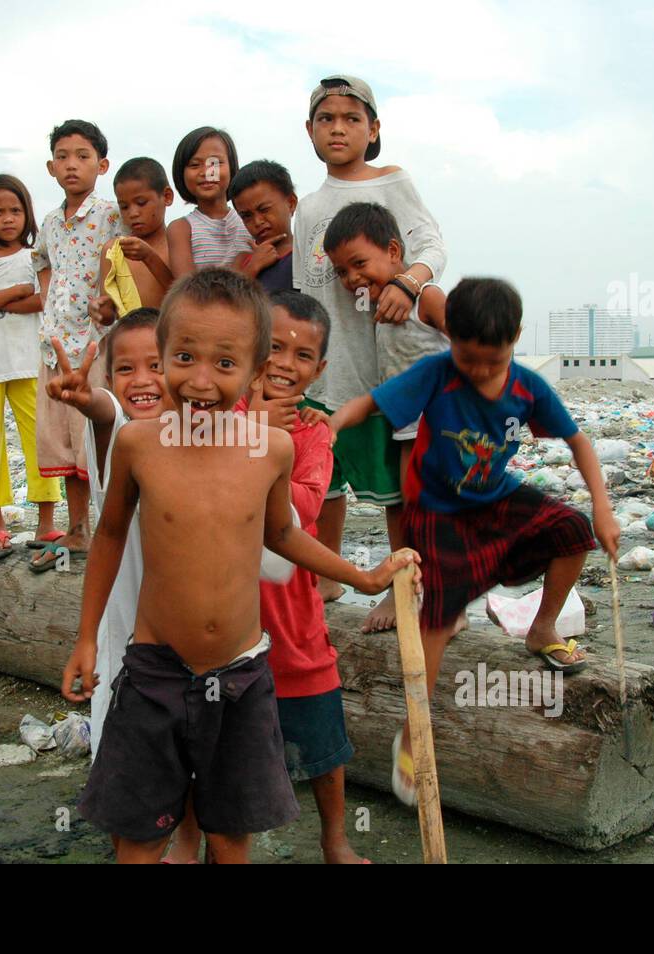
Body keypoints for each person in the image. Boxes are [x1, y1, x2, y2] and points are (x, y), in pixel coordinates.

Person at [60, 268, 418, 863]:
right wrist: (86, 638)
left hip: (242, 676)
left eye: (224, 364)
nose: (201, 381)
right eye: (184, 357)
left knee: (231, 836)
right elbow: (110, 535)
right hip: (153, 674)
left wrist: (364, 575)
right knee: (138, 835)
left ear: (254, 373)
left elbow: (281, 533)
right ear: (164, 354)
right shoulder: (139, 444)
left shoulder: (271, 450)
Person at [325, 278, 620, 805]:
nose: (481, 370)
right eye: (469, 358)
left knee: (573, 531)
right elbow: (367, 403)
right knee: (439, 610)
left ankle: (542, 626)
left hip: (495, 497)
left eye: (493, 359)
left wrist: (602, 506)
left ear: (516, 339)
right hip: (435, 511)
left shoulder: (528, 387)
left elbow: (578, 440)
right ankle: (414, 733)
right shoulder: (436, 374)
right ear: (450, 339)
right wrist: (331, 426)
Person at [293, 74, 447, 633]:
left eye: (351, 118)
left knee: (394, 490)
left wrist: (409, 283)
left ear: (374, 128)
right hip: (329, 365)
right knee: (324, 480)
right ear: (309, 130)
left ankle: (404, 586)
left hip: (382, 367)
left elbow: (431, 244)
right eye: (326, 119)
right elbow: (307, 287)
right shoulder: (309, 208)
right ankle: (325, 577)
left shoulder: (392, 183)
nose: (338, 128)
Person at [252, 291, 369, 863]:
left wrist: (262, 439)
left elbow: (299, 507)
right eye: (272, 347)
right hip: (225, 617)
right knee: (217, 748)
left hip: (293, 618)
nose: (283, 363)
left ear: (319, 369)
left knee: (323, 741)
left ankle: (335, 839)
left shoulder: (314, 432)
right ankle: (195, 837)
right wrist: (244, 424)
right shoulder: (214, 416)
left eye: (302, 355)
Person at [44, 308, 168, 758]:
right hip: (125, 647)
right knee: (129, 770)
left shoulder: (203, 437)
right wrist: (85, 397)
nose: (142, 380)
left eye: (157, 365)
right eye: (125, 369)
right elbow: (102, 410)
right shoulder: (119, 431)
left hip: (189, 644)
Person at [31, 120, 123, 571]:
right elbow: (41, 261)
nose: (72, 164)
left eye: (83, 156)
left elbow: (126, 264)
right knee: (62, 443)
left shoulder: (110, 215)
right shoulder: (49, 223)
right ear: (51, 167)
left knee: (97, 438)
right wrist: (50, 297)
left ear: (101, 164)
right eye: (63, 156)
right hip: (54, 347)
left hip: (95, 346)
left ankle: (110, 526)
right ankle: (78, 527)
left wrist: (109, 302)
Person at [324, 201, 448, 537]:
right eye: (341, 271)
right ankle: (421, 583)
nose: (352, 278)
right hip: (408, 429)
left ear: (393, 250)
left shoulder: (428, 299)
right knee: (413, 504)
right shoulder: (379, 311)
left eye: (359, 264)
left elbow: (473, 342)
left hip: (441, 426)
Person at [0, 173, 62, 558]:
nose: (7, 218)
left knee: (41, 442)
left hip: (28, 361)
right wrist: (18, 291)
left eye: (15, 210)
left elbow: (44, 299)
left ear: (27, 213)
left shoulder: (36, 255)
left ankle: (47, 521)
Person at [89, 158, 175, 328]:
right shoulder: (114, 251)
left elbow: (183, 296)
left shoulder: (177, 244)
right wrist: (99, 309)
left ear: (166, 197)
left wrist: (149, 257)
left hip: (170, 342)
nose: (133, 213)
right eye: (124, 207)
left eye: (141, 203)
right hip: (131, 345)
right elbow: (110, 317)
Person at [166, 127, 253, 277]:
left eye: (216, 163)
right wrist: (250, 268)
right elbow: (188, 288)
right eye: (194, 165)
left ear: (232, 167)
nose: (207, 172)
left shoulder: (250, 221)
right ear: (181, 174)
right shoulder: (181, 229)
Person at [229, 160, 298, 293]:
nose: (257, 221)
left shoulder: (306, 253)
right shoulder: (242, 261)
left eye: (264, 209)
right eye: (246, 216)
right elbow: (228, 307)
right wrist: (253, 267)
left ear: (291, 203)